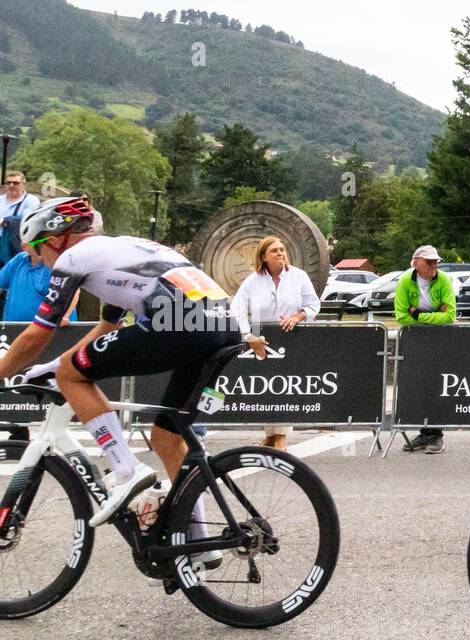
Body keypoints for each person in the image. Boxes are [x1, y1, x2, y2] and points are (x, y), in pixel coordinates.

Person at [0, 196, 267, 560]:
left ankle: (127, 472)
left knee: (74, 377)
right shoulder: (120, 251)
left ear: (54, 238)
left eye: (36, 247)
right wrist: (54, 367)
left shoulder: (73, 258)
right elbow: (108, 326)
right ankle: (199, 543)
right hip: (221, 328)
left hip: (179, 326)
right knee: (167, 439)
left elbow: (35, 336)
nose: (39, 257)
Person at [230, 236, 320, 450]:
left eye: (282, 249)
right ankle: (269, 434)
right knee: (265, 387)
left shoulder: (299, 276)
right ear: (263, 256)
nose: (280, 253)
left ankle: (281, 435)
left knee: (285, 385)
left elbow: (314, 304)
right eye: (274, 251)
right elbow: (237, 307)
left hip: (291, 338)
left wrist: (298, 317)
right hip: (261, 339)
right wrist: (248, 336)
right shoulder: (253, 280)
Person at [0, 243, 77, 442]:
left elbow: (74, 289)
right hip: (17, 333)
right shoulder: (19, 261)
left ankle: (55, 426)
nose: (24, 244)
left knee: (50, 378)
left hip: (48, 333)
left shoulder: (53, 263)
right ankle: (19, 428)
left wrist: (65, 315)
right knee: (16, 378)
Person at [394, 245, 456, 454]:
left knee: (438, 384)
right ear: (416, 263)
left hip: (440, 340)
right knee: (420, 384)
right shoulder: (404, 280)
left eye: (436, 262)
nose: (434, 266)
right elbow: (401, 315)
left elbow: (450, 316)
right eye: (429, 262)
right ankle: (424, 432)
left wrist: (419, 315)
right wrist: (434, 316)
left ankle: (436, 435)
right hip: (416, 340)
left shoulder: (444, 280)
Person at [1, 171, 40, 267]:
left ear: (23, 185)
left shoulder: (31, 200)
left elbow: (27, 221)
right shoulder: (0, 199)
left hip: (15, 244)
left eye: (15, 183)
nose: (11, 185)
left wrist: (5, 222)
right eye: (8, 183)